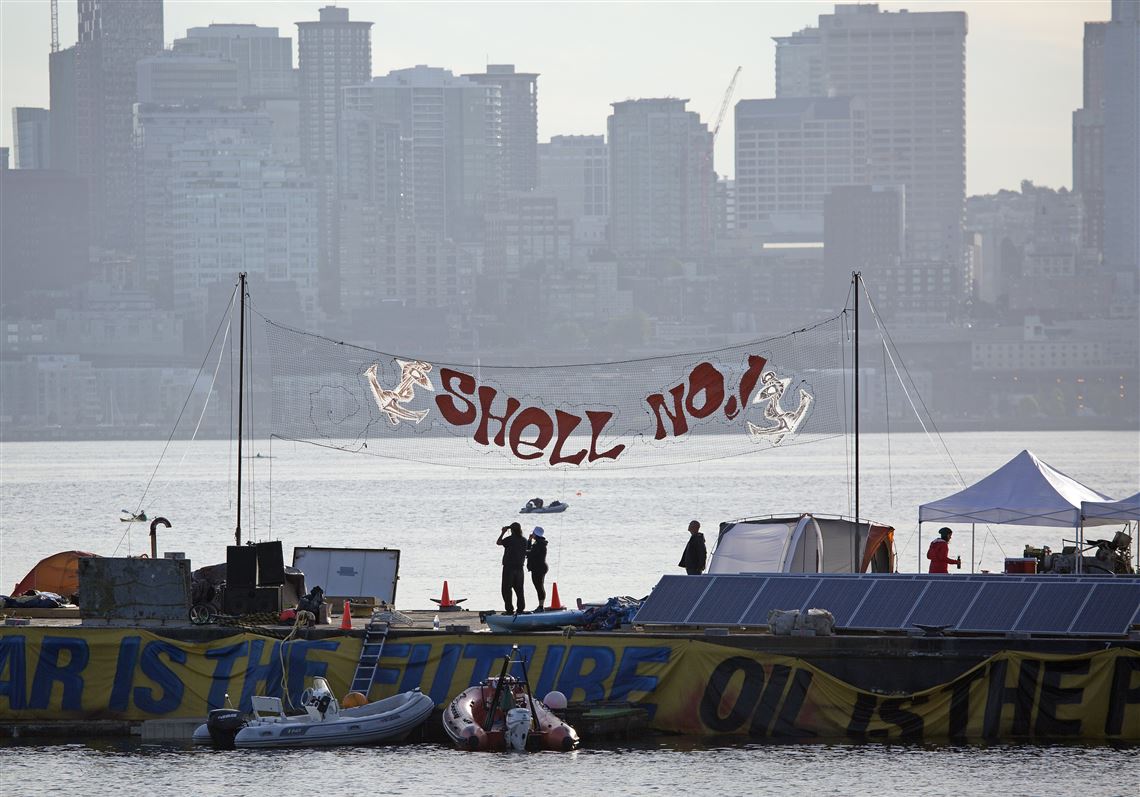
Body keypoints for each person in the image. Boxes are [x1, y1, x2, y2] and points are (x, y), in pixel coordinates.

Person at [497, 522, 528, 613]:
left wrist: (503, 532)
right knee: (519, 590)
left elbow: (498, 542)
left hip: (509, 568)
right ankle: (521, 609)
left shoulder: (509, 539)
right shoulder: (524, 540)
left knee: (506, 589)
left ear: (512, 530)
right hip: (519, 568)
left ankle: (509, 609)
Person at [527, 526, 549, 611]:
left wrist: (520, 552)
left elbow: (531, 553)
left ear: (535, 534)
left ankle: (541, 606)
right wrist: (529, 540)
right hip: (538, 567)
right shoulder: (538, 543)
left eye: (533, 533)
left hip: (539, 568)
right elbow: (529, 550)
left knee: (539, 587)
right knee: (539, 586)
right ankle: (540, 606)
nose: (532, 534)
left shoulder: (539, 544)